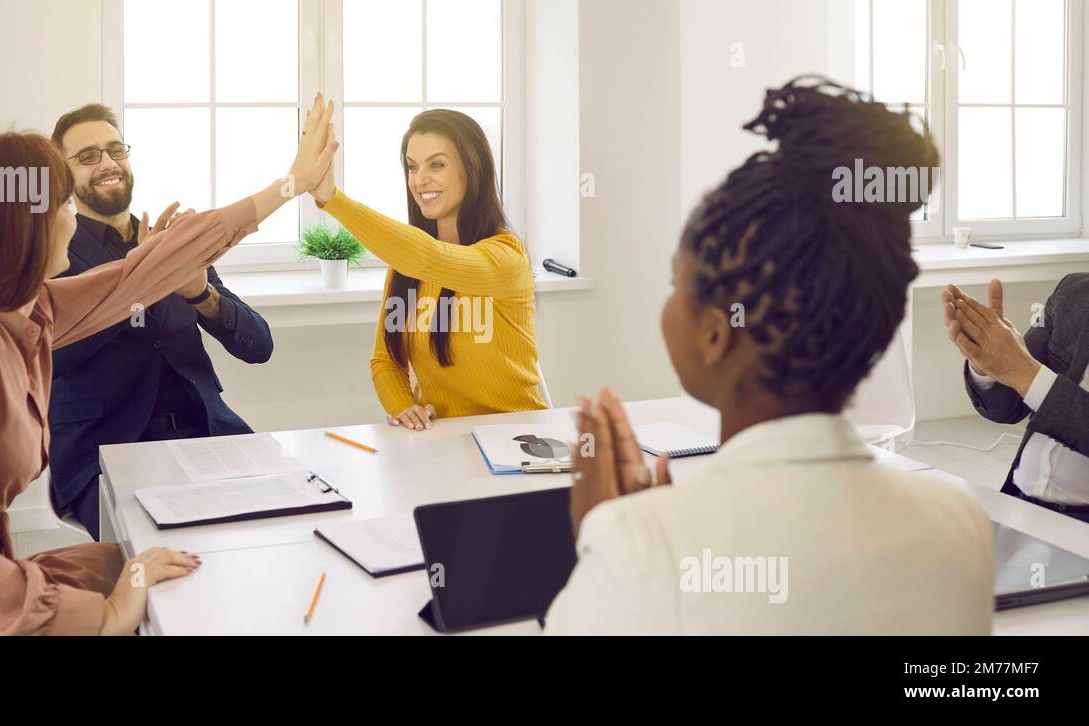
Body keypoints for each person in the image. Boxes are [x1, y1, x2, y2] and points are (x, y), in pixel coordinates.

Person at [0, 97, 337, 635]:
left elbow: (143, 274)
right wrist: (107, 613)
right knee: (136, 580)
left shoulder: (25, 308)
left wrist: (288, 185)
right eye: (61, 206)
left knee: (135, 563)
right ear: (18, 226)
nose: (70, 220)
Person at [545, 77, 994, 635]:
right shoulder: (961, 524)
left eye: (674, 282)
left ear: (716, 333)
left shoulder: (638, 547)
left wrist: (606, 540)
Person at [48, 104, 275, 539]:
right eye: (89, 156)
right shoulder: (53, 251)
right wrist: (141, 283)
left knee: (282, 524)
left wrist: (199, 294)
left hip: (207, 435)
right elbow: (49, 358)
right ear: (63, 175)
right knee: (165, 558)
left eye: (116, 150)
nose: (108, 163)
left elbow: (260, 347)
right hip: (105, 451)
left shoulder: (175, 242)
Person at [310, 109, 546, 431]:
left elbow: (430, 257)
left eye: (437, 164)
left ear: (472, 169)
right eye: (412, 166)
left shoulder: (506, 257)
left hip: (517, 440)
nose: (420, 180)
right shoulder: (405, 268)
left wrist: (332, 199)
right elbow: (387, 360)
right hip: (440, 442)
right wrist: (404, 407)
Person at [943, 275, 1089, 522]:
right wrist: (986, 363)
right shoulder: (1073, 292)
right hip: (1017, 502)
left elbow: (1025, 373)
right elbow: (1009, 406)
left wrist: (1021, 371)